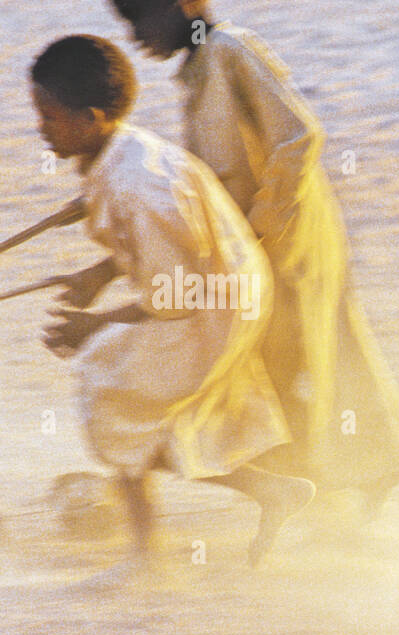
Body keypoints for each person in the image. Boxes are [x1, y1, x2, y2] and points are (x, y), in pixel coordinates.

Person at [109, 0, 399, 511]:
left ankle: (344, 482)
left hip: (290, 235)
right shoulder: (196, 70)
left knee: (310, 354)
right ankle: (352, 477)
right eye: (124, 25)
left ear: (178, 6)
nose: (133, 36)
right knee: (306, 357)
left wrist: (261, 228)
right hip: (258, 242)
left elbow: (300, 136)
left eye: (138, 19)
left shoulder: (228, 50)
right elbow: (214, 173)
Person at [33, 34, 315, 572]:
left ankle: (146, 558)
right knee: (129, 403)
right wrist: (97, 274)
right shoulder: (122, 151)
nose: (41, 128)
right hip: (222, 288)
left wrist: (93, 326)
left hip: (216, 304)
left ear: (91, 118)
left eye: (48, 116)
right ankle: (272, 493)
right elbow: (167, 246)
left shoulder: (139, 185)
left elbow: (176, 293)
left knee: (111, 396)